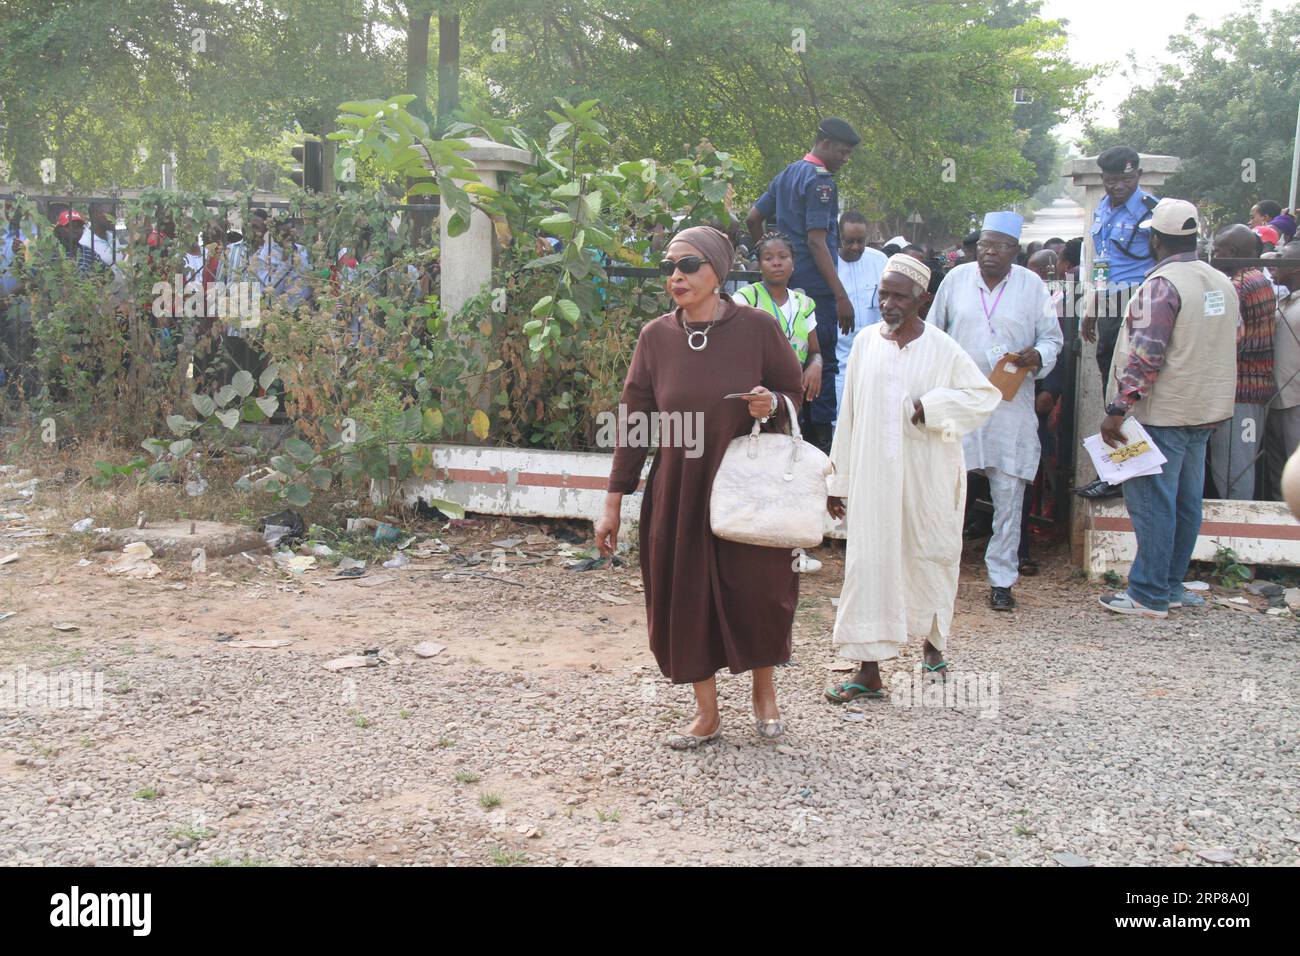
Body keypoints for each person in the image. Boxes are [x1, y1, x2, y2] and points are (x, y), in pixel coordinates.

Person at [595, 225, 804, 747]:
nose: (676, 276)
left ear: (717, 271)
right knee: (683, 596)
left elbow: (794, 391)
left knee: (759, 590)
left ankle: (764, 692)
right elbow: (635, 422)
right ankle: (706, 712)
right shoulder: (656, 337)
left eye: (689, 265)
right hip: (679, 490)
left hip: (745, 486)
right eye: (670, 266)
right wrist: (613, 502)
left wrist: (771, 404)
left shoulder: (757, 328)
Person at [823, 254, 1000, 702]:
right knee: (870, 565)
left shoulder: (942, 347)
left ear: (922, 298)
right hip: (873, 479)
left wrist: (933, 407)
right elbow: (850, 417)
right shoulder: (865, 342)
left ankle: (932, 643)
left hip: (928, 477)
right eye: (883, 293)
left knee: (930, 555)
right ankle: (868, 671)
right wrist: (837, 482)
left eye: (899, 295)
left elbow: (983, 396)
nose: (888, 303)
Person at [1100, 199, 1238, 617]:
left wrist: (1118, 409)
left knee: (1153, 504)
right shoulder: (1220, 282)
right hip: (1205, 410)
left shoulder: (1162, 285)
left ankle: (1147, 594)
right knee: (1184, 503)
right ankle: (1172, 585)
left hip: (1162, 414)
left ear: (1155, 240)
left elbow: (1145, 355)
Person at [928, 210, 1063, 612]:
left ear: (1014, 251)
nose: (988, 252)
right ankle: (939, 573)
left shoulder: (1032, 285)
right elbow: (933, 333)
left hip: (1009, 404)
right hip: (961, 400)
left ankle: (1001, 579)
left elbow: (1053, 340)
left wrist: (1037, 354)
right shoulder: (955, 280)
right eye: (984, 244)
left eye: (999, 246)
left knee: (1009, 494)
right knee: (949, 489)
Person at [747, 117, 860, 452]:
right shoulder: (820, 181)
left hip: (785, 293)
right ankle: (819, 452)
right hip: (814, 290)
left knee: (784, 365)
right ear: (824, 143)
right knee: (820, 364)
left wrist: (771, 258)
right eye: (843, 151)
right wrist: (841, 295)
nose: (845, 159)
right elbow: (816, 241)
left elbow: (754, 218)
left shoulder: (787, 174)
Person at [1078, 147, 1160, 501]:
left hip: (1142, 303)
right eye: (1111, 180)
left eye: (1125, 179)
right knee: (1111, 387)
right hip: (1111, 304)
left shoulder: (1153, 211)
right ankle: (1116, 469)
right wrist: (1094, 304)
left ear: (1138, 176)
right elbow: (1102, 262)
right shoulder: (1102, 209)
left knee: (1131, 389)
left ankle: (1121, 475)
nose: (1117, 187)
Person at [731, 231, 824, 464]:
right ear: (759, 264)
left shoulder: (804, 304)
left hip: (791, 394)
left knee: (783, 459)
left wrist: (816, 366)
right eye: (768, 257)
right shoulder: (746, 298)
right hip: (756, 394)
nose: (776, 262)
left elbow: (815, 351)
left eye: (783, 256)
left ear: (793, 262)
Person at [1208, 223, 1276, 499]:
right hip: (1253, 388)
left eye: (1216, 251)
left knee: (1231, 470)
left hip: (1239, 391)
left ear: (1231, 252)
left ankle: (1231, 535)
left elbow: (1229, 337)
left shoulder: (1236, 286)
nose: (1212, 256)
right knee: (1237, 465)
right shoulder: (1259, 278)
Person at [834, 210, 887, 424]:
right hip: (841, 360)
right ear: (838, 237)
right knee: (842, 422)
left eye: (860, 241)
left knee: (875, 421)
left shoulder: (880, 261)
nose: (855, 247)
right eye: (849, 241)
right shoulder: (829, 265)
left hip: (876, 357)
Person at [1264, 242, 1300, 500]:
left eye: (1282, 258)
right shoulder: (1283, 299)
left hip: (1296, 401)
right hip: (1275, 400)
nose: (1274, 261)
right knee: (1277, 471)